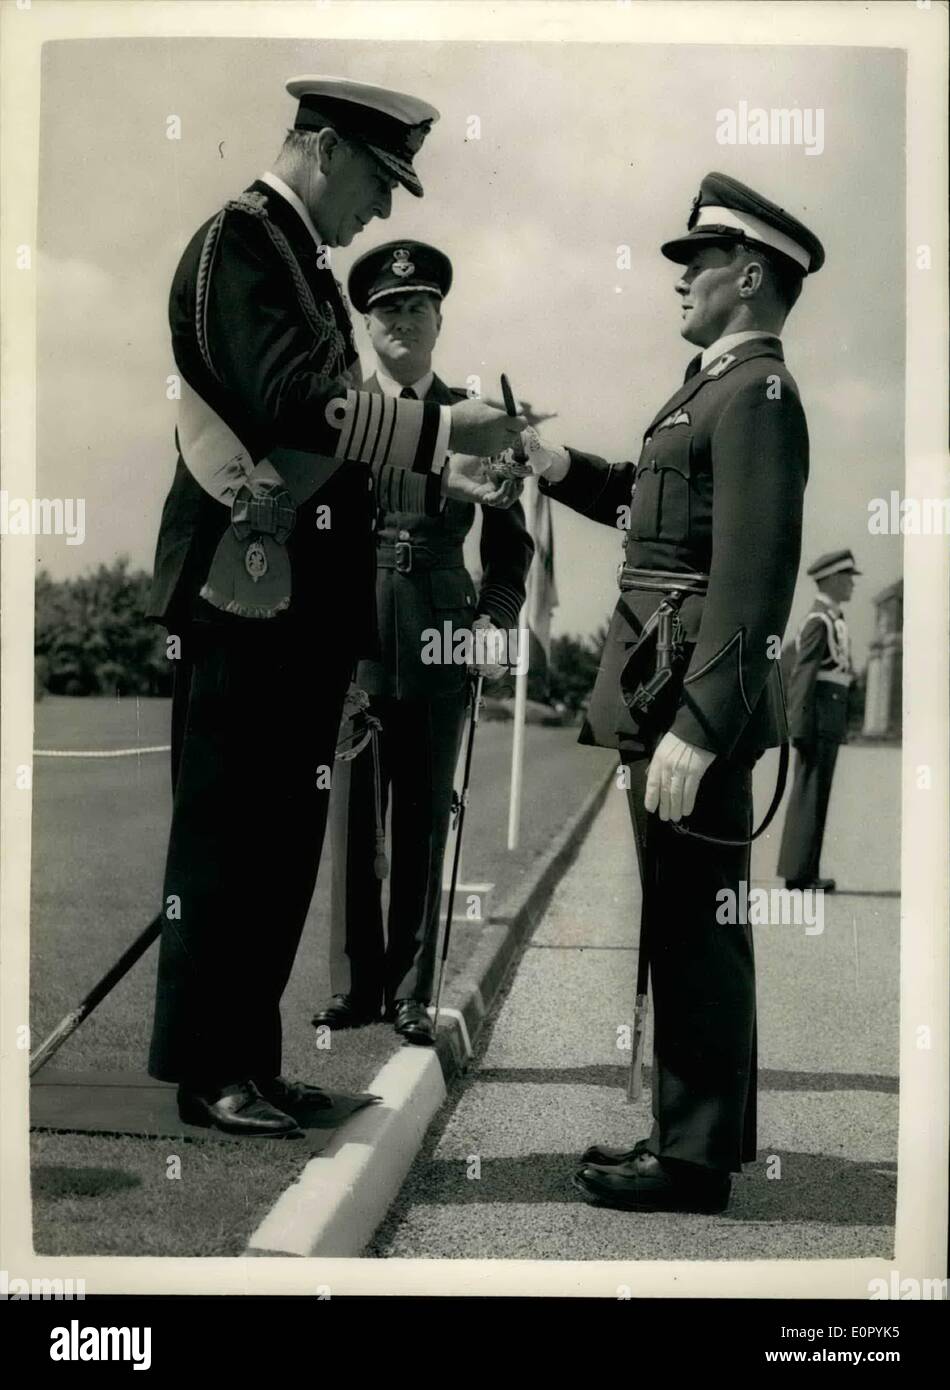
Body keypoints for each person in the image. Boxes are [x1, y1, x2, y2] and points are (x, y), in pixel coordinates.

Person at [146, 77, 525, 1138]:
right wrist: (448, 441)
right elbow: (294, 403)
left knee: (279, 841)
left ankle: (253, 1064)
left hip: (299, 599)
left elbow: (332, 432)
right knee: (227, 835)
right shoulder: (240, 243)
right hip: (242, 588)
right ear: (316, 145)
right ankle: (208, 1070)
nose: (385, 209)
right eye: (377, 176)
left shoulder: (298, 261)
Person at [516, 171, 824, 1211]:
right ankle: (691, 1141)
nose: (677, 280)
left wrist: (700, 724)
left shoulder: (756, 394)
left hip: (688, 700)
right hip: (660, 689)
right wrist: (553, 464)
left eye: (693, 263)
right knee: (687, 920)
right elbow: (645, 514)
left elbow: (752, 571)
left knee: (696, 927)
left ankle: (691, 1163)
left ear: (746, 275)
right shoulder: (711, 385)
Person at [312, 241, 534, 1045]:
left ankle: (410, 989)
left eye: (417, 307)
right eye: (387, 310)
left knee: (424, 819)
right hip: (357, 628)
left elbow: (512, 546)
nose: (402, 321)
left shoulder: (478, 422)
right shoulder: (340, 413)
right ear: (368, 327)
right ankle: (354, 986)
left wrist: (492, 621)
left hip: (444, 625)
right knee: (354, 815)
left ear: (440, 319)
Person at [777, 549, 859, 891]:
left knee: (817, 796)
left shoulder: (832, 619)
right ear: (832, 579)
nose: (852, 585)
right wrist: (800, 727)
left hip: (828, 721)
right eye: (848, 578)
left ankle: (806, 871)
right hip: (816, 722)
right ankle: (798, 873)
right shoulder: (818, 621)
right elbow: (803, 677)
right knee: (809, 795)